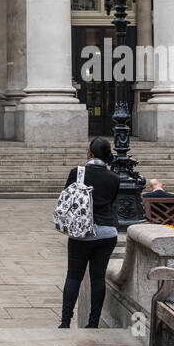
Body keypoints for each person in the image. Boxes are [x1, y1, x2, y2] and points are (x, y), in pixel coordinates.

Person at [58, 136, 121, 329]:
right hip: (107, 233)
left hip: (81, 232)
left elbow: (67, 198)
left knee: (74, 276)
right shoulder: (114, 178)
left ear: (90, 153)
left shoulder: (77, 172)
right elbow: (111, 202)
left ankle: (65, 322)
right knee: (98, 278)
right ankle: (93, 323)